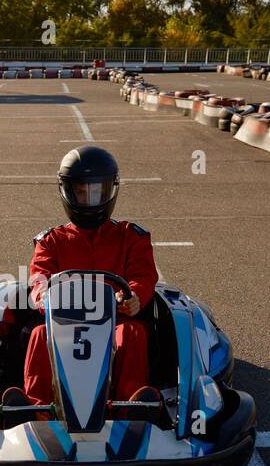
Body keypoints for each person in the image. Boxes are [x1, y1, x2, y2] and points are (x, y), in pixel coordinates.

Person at [11, 145, 160, 413]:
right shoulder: (51, 241)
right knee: (39, 334)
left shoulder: (131, 236)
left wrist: (134, 297)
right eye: (81, 192)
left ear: (109, 191)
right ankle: (37, 409)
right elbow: (39, 277)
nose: (89, 200)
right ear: (68, 192)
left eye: (96, 192)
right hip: (63, 325)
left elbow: (143, 274)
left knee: (133, 333)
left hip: (115, 322)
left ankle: (132, 406)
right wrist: (45, 298)